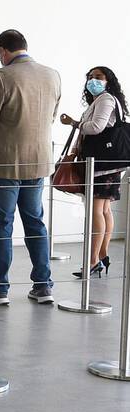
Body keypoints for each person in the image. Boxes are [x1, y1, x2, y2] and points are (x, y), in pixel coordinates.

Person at [0, 29, 61, 305]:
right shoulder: (52, 75)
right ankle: (43, 285)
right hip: (38, 161)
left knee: (2, 225)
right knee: (35, 223)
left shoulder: (0, 77)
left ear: (2, 50)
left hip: (5, 164)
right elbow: (52, 116)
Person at [60, 65, 126, 278]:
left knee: (96, 210)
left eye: (98, 77)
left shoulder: (106, 99)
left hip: (103, 164)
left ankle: (93, 261)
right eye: (90, 77)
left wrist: (75, 123)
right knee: (105, 209)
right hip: (110, 163)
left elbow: (96, 127)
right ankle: (101, 255)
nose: (92, 80)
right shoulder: (107, 99)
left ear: (108, 79)